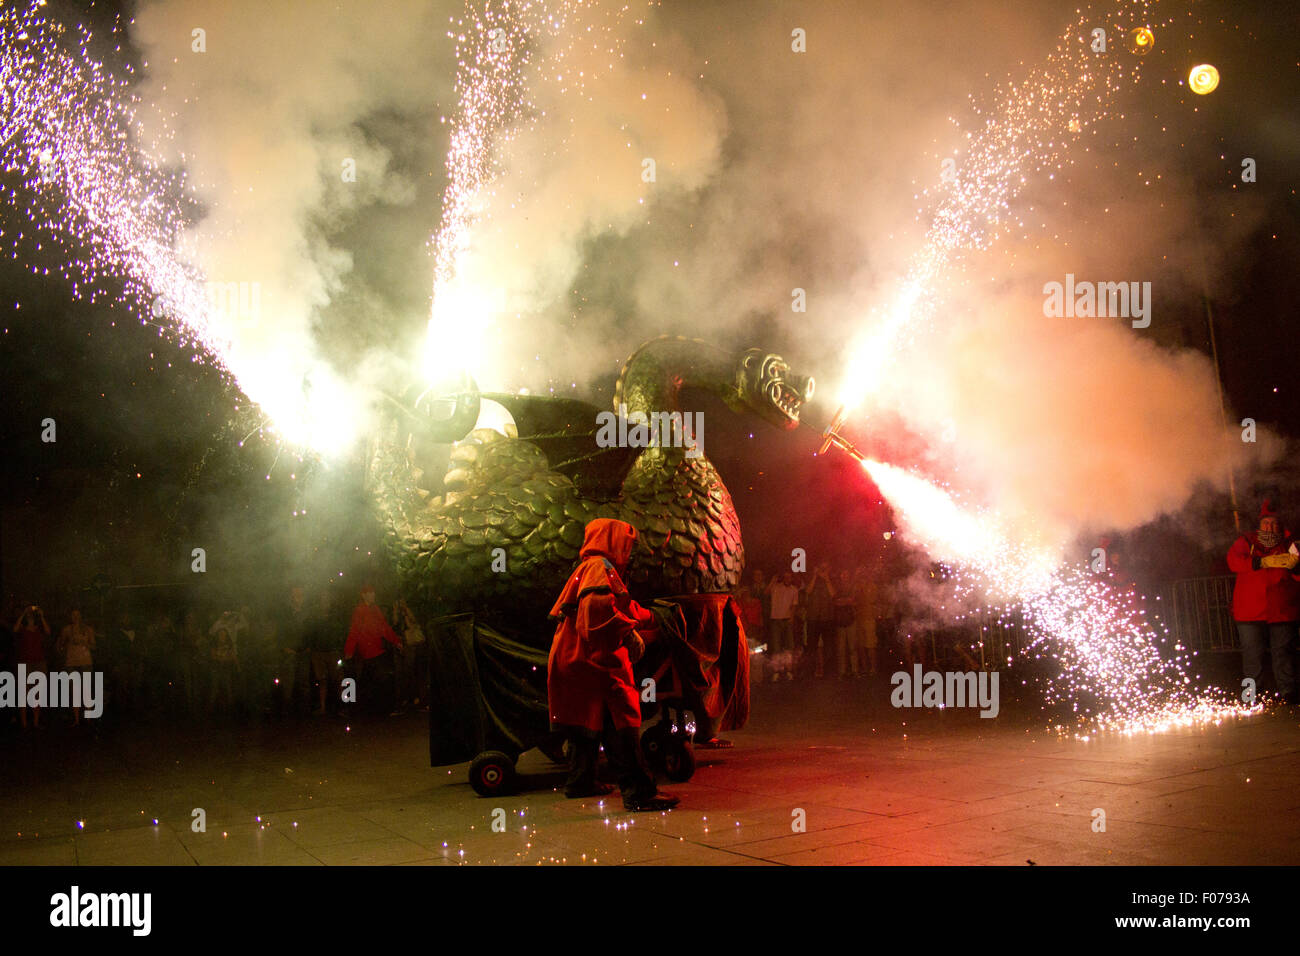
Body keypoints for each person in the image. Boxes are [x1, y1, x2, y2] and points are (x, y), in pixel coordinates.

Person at [548, 518, 677, 812]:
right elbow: (597, 610)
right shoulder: (600, 567)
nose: (629, 552)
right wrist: (627, 632)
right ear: (612, 541)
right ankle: (639, 793)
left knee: (588, 719)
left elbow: (621, 606)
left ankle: (580, 783)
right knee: (622, 721)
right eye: (627, 544)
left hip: (576, 658)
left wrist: (653, 618)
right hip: (596, 658)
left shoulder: (593, 568)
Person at [1227, 501, 1300, 704]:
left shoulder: (1289, 544)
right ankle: (1249, 695)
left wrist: (1295, 567)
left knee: (1283, 654)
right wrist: (1260, 562)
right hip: (1250, 611)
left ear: (1280, 525)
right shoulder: (1247, 541)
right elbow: (1233, 561)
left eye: (1274, 524)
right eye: (1266, 523)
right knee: (1252, 657)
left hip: (1282, 611)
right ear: (1260, 524)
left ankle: (1289, 693)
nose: (1270, 527)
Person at [343, 586, 402, 715]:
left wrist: (395, 640)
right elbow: (355, 630)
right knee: (372, 680)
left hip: (374, 650)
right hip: (368, 651)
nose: (373, 595)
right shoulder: (360, 610)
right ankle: (361, 708)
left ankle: (362, 709)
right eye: (370, 593)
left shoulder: (374, 609)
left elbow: (383, 627)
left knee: (368, 680)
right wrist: (349, 650)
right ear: (364, 595)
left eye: (373, 592)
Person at [12, 604, 50, 728]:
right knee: (24, 692)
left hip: (38, 662)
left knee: (37, 692)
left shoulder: (39, 628)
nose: (30, 617)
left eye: (31, 615)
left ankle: (35, 722)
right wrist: (23, 613)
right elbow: (15, 629)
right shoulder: (22, 628)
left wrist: (42, 616)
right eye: (28, 616)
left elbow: (48, 631)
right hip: (25, 662)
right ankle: (24, 723)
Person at [57, 609, 96, 726]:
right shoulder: (66, 629)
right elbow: (61, 645)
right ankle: (76, 719)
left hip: (85, 661)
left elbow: (94, 646)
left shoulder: (88, 630)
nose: (75, 617)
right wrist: (67, 643)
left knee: (86, 690)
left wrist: (85, 643)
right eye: (73, 615)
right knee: (74, 691)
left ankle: (88, 718)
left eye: (77, 615)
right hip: (71, 663)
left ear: (81, 616)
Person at [277, 588, 310, 717]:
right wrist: (285, 647)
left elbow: (310, 631)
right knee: (288, 682)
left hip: (303, 651)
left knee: (304, 682)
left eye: (300, 596)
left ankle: (304, 710)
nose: (298, 598)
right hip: (290, 651)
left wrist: (308, 647)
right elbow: (281, 631)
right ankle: (287, 709)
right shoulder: (286, 614)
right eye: (295, 596)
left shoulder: (306, 614)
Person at [801, 562, 837, 679]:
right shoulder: (811, 579)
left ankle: (828, 672)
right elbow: (808, 591)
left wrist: (826, 579)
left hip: (827, 618)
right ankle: (811, 672)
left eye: (825, 568)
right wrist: (815, 576)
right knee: (812, 647)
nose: (823, 570)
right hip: (813, 618)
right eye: (821, 568)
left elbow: (833, 594)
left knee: (828, 647)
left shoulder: (831, 580)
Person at [392, 599, 428, 711]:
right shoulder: (395, 612)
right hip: (399, 642)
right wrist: (395, 611)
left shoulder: (409, 611)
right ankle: (404, 698)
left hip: (410, 643)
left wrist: (405, 610)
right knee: (401, 672)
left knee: (410, 670)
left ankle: (414, 698)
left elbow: (413, 622)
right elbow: (394, 623)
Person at [308, 591, 339, 716]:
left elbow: (339, 631)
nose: (325, 603)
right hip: (319, 651)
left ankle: (343, 706)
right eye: (323, 600)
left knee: (339, 679)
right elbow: (311, 632)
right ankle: (323, 707)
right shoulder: (315, 616)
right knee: (322, 680)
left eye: (327, 600)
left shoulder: (335, 615)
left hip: (332, 651)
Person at [766, 572, 800, 681]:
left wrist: (792, 618)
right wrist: (772, 581)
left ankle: (788, 671)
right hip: (776, 620)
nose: (787, 578)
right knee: (776, 647)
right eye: (785, 576)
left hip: (787, 620)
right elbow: (766, 593)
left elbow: (794, 605)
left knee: (789, 647)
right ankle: (776, 672)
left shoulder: (794, 589)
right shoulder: (775, 587)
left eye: (789, 577)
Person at [833, 570, 859, 678]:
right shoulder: (837, 587)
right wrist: (846, 601)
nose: (844, 576)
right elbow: (835, 601)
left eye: (846, 574)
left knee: (852, 648)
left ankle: (855, 671)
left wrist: (842, 601)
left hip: (851, 620)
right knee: (841, 649)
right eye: (842, 574)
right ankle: (842, 672)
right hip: (840, 621)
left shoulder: (852, 587)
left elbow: (853, 601)